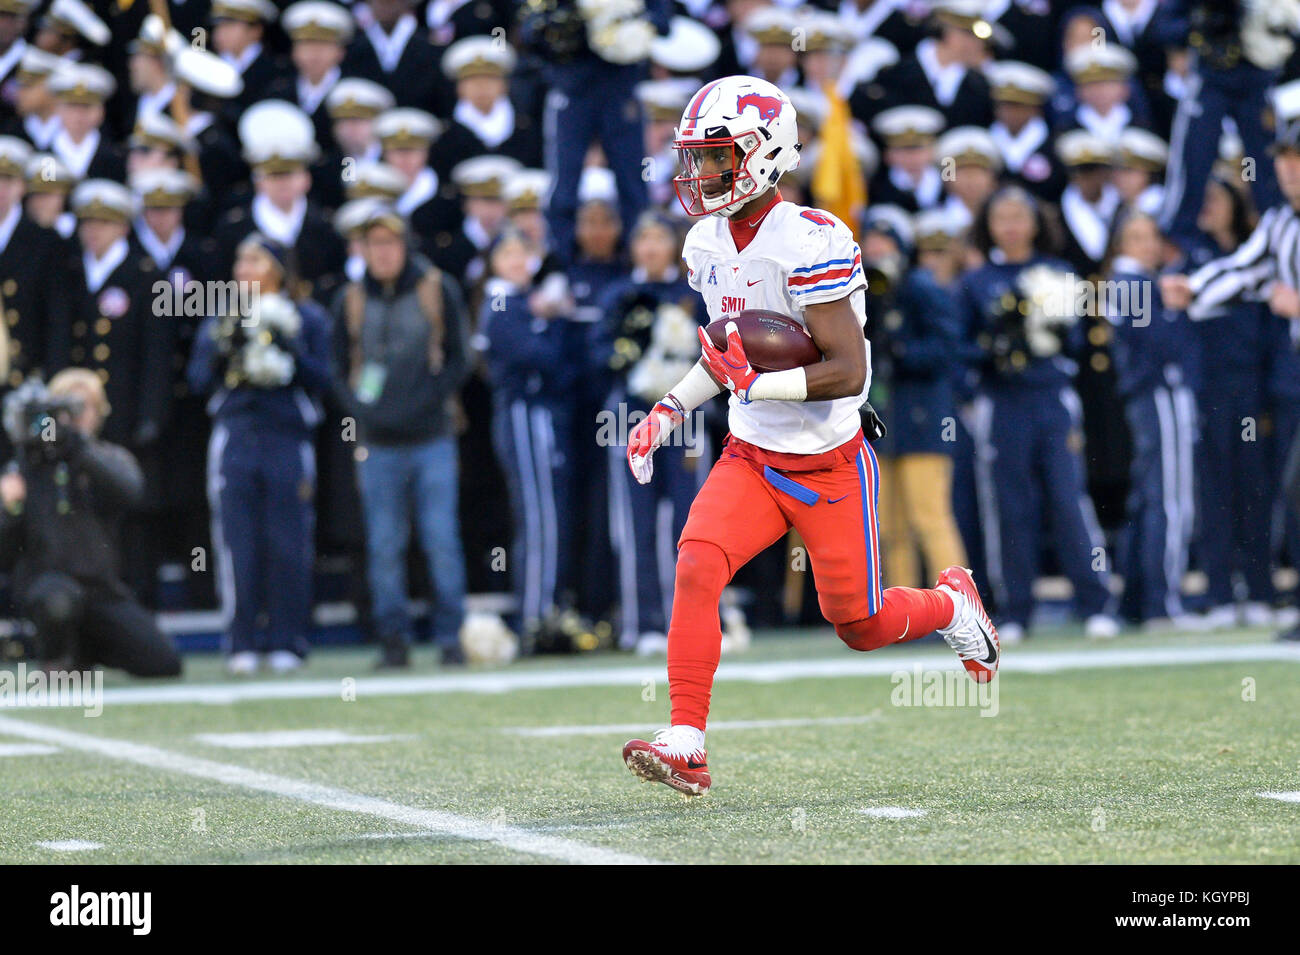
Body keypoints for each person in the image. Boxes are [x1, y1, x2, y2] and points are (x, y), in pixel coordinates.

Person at [620, 76, 999, 798]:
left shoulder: (811, 240)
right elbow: (729, 349)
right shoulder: (705, 242)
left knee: (857, 622)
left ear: (762, 155)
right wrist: (668, 408)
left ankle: (952, 604)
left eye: (715, 156)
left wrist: (753, 385)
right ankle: (687, 739)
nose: (699, 173)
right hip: (753, 454)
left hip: (828, 459)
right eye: (695, 157)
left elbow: (847, 371)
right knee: (698, 564)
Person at [1161, 97, 1300, 642]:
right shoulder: (1281, 222)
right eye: (1284, 162)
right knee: (1293, 489)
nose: (1288, 173)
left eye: (1297, 161)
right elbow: (1243, 270)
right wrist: (1193, 288)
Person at [959, 185, 1119, 644]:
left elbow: (1075, 343)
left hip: (1052, 399)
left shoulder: (1058, 271)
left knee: (1068, 499)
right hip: (1001, 402)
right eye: (1001, 217)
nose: (1010, 226)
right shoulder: (976, 282)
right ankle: (1014, 611)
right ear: (988, 223)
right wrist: (996, 348)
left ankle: (1096, 603)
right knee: (1008, 506)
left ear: (1035, 223)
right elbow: (961, 345)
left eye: (1019, 217)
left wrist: (1044, 335)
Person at [332, 205, 471, 668]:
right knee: (384, 544)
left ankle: (451, 637)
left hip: (432, 437)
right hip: (378, 443)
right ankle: (394, 639)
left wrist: (428, 401)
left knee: (440, 539)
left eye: (390, 243)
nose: (383, 253)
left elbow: (459, 359)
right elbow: (337, 369)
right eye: (374, 244)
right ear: (364, 250)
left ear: (404, 245)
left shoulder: (436, 288)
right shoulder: (350, 298)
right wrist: (360, 409)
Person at [189, 234, 333, 674]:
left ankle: (289, 638)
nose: (244, 270)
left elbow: (325, 380)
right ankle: (242, 640)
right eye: (240, 261)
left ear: (277, 269)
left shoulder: (306, 316)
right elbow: (198, 380)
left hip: (287, 437)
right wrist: (222, 349)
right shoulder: (220, 316)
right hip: (236, 436)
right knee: (238, 543)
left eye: (254, 261)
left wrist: (290, 349)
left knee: (288, 541)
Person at [0, 369, 181, 677]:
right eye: (70, 408)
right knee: (57, 602)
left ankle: (88, 650)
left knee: (163, 662)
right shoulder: (28, 466)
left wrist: (77, 447)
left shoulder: (107, 457)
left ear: (100, 413)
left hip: (101, 590)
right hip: (48, 584)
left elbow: (130, 490)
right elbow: (5, 550)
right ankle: (56, 660)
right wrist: (10, 507)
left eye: (86, 407)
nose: (78, 416)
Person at [598, 212, 709, 654]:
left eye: (658, 237)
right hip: (632, 414)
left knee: (691, 523)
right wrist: (633, 360)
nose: (649, 246)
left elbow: (718, 351)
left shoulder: (695, 293)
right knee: (635, 522)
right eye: (641, 237)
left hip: (687, 417)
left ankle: (692, 623)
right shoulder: (619, 295)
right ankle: (642, 624)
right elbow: (599, 355)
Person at [1105, 209, 1198, 628]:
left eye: (1151, 236)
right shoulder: (1136, 283)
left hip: (1146, 398)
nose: (1148, 244)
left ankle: (1139, 602)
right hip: (1161, 394)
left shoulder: (1122, 284)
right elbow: (1161, 342)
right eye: (1136, 236)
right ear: (1121, 243)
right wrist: (1177, 309)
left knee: (1149, 499)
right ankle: (1164, 602)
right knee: (1171, 500)